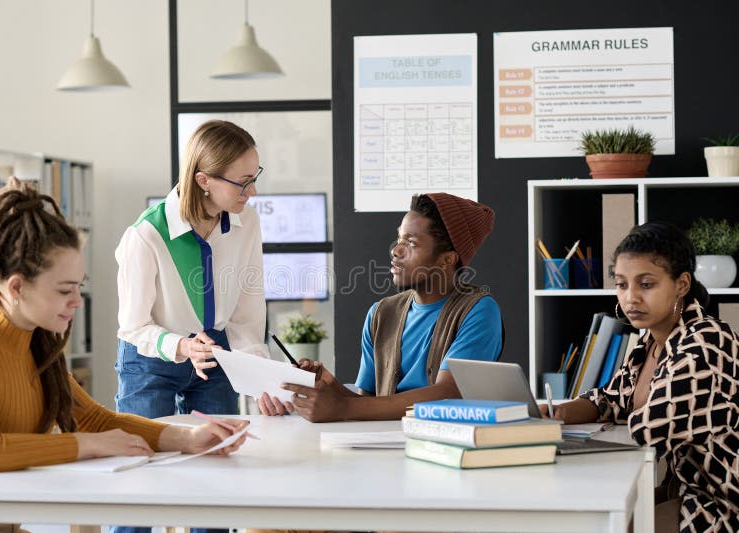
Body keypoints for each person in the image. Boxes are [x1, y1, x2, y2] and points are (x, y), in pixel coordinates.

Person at [0, 178, 249, 533]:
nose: (77, 301)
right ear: (16, 287)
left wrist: (188, 439)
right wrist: (87, 445)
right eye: (64, 290)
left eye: (79, 286)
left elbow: (96, 421)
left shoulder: (40, 347)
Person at [541, 221, 739, 532]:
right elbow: (610, 398)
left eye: (646, 284)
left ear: (682, 284)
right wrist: (557, 413)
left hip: (720, 503)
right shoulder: (649, 343)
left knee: (598, 524)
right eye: (621, 284)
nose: (630, 297)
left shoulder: (706, 340)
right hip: (685, 489)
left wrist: (565, 444)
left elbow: (651, 426)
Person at [259, 192, 504, 422]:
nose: (396, 250)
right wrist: (328, 384)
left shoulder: (478, 311)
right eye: (399, 238)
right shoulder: (382, 313)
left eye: (411, 242)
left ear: (447, 259)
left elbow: (447, 394)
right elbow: (368, 405)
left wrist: (340, 407)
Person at [115, 119, 268, 421]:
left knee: (218, 452)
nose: (252, 191)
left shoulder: (247, 222)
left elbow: (245, 316)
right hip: (152, 357)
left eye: (255, 177)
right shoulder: (147, 235)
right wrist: (183, 346)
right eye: (243, 181)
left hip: (215, 352)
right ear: (203, 181)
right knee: (146, 454)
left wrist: (261, 381)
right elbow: (134, 327)